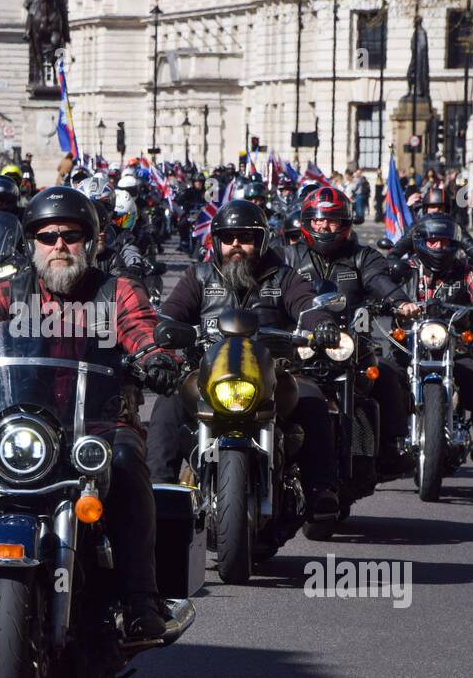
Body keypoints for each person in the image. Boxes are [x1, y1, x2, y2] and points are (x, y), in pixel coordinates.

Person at [0, 185, 183, 640]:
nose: (59, 246)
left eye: (70, 236)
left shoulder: (116, 291)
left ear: (91, 241)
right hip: (20, 420)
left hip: (99, 425)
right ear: (32, 244)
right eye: (47, 237)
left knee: (127, 464)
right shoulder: (9, 293)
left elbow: (140, 329)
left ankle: (140, 601)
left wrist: (155, 358)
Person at [147, 199, 345, 525]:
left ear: (261, 241)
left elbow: (307, 305)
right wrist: (164, 327)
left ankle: (320, 490)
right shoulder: (198, 276)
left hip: (274, 372)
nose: (236, 245)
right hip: (208, 373)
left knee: (312, 399)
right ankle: (160, 490)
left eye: (246, 237)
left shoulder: (282, 277)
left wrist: (321, 322)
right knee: (168, 401)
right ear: (216, 241)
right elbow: (171, 312)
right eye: (228, 238)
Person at [288, 184, 420, 467]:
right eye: (318, 219)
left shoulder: (363, 257)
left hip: (349, 346)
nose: (324, 226)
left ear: (345, 223)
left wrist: (399, 301)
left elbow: (378, 279)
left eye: (332, 219)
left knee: (388, 375)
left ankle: (389, 449)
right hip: (298, 345)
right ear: (307, 222)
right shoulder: (287, 256)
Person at [400, 215, 473, 487]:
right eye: (433, 241)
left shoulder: (464, 271)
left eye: (444, 242)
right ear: (421, 243)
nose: (439, 248)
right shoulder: (406, 269)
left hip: (455, 349)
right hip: (407, 346)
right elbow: (381, 285)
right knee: (381, 382)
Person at [390, 186, 473, 275]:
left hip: (450, 276)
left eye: (441, 207)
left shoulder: (455, 227)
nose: (436, 210)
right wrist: (395, 264)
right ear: (426, 209)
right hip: (421, 275)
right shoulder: (418, 226)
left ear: (447, 209)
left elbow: (471, 246)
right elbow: (396, 251)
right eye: (433, 206)